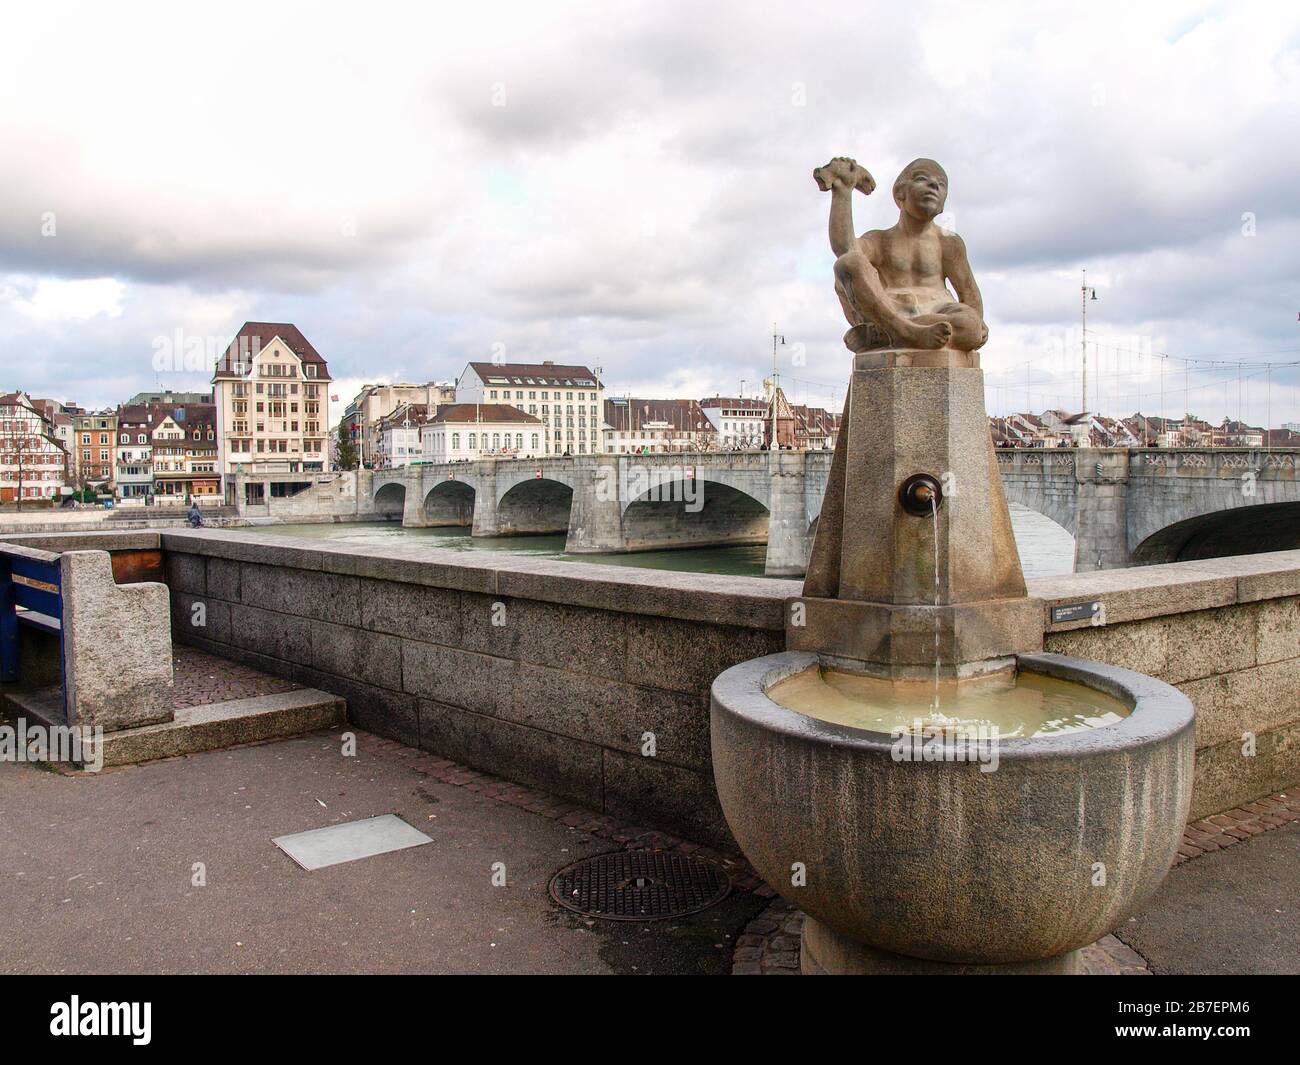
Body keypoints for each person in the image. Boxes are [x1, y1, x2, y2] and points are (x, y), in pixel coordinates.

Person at [816, 155, 988, 352]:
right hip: (889, 308)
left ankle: (882, 334)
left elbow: (970, 296)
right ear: (900, 192)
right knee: (848, 263)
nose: (933, 184)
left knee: (972, 327)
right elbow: (844, 249)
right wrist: (843, 192)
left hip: (939, 312)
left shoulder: (950, 243)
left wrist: (976, 324)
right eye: (922, 178)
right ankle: (903, 331)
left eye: (941, 184)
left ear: (943, 205)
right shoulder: (880, 240)